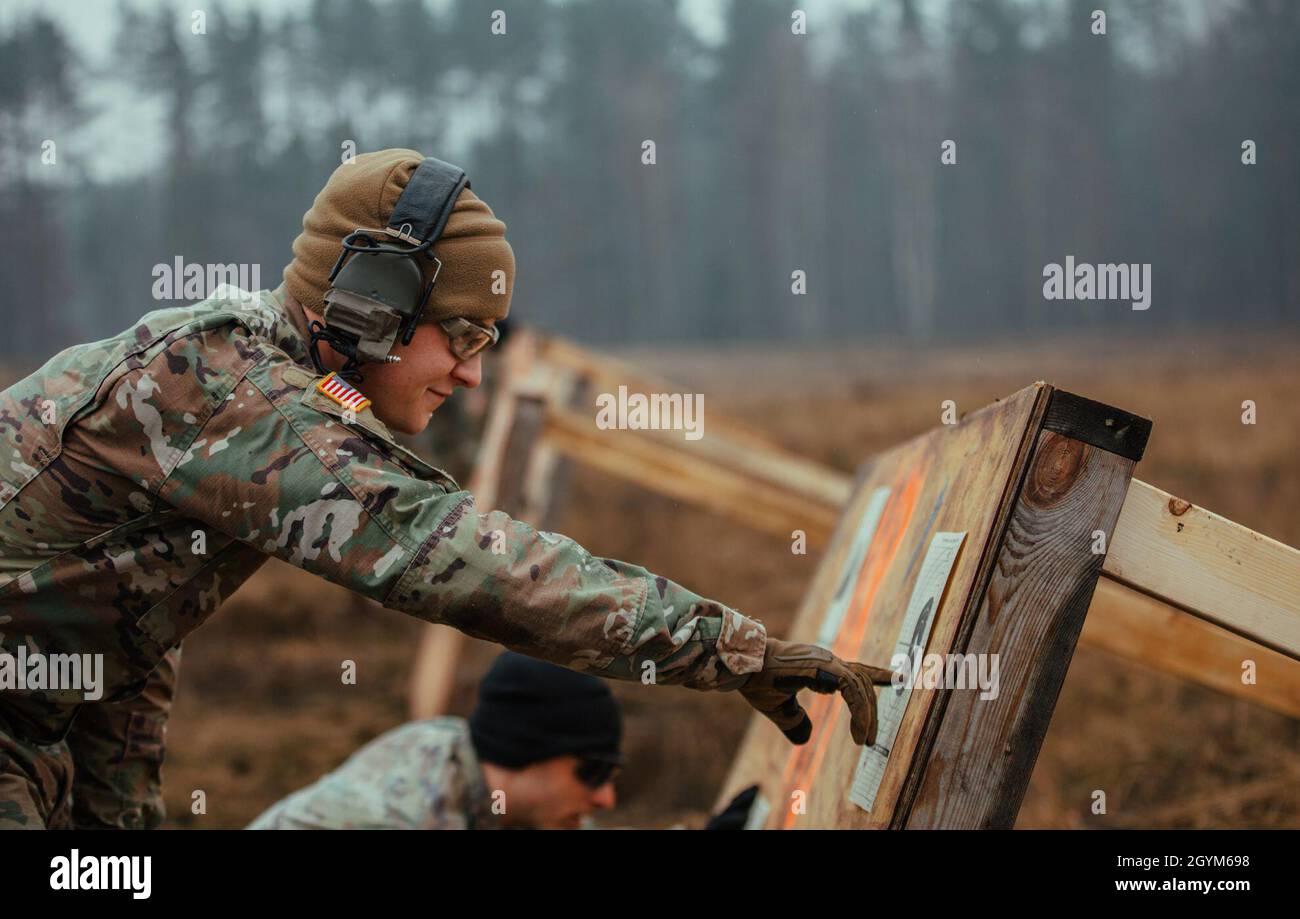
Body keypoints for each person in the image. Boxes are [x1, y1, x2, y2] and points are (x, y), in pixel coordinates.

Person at [0, 148, 891, 830]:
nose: (470, 376)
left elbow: (126, 638)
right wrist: (728, 647)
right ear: (371, 305)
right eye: (462, 336)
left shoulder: (260, 394)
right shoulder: (226, 392)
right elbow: (464, 559)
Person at [249, 652, 623, 830]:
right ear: (526, 751)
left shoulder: (495, 783)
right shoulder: (396, 818)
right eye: (593, 771)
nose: (606, 798)